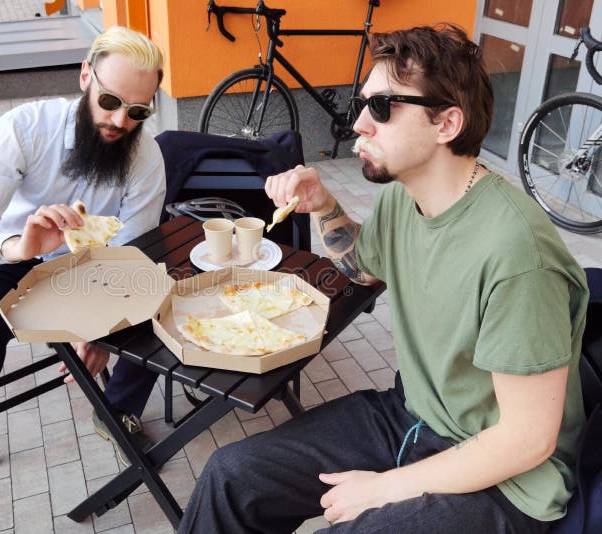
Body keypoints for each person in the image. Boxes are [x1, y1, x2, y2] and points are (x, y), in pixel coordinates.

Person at [178, 24, 589, 534]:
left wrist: (384, 488)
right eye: (361, 104)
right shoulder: (404, 193)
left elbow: (527, 440)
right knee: (230, 475)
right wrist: (323, 204)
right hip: (414, 418)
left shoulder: (517, 254)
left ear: (447, 123)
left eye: (383, 107)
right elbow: (363, 266)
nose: (359, 126)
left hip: (506, 482)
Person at [0, 26, 166, 533]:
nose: (121, 120)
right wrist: (20, 247)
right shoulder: (25, 127)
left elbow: (131, 253)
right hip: (5, 260)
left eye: (138, 111)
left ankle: (116, 413)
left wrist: (100, 325)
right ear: (85, 76)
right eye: (110, 100)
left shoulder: (146, 158)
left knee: (162, 310)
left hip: (89, 271)